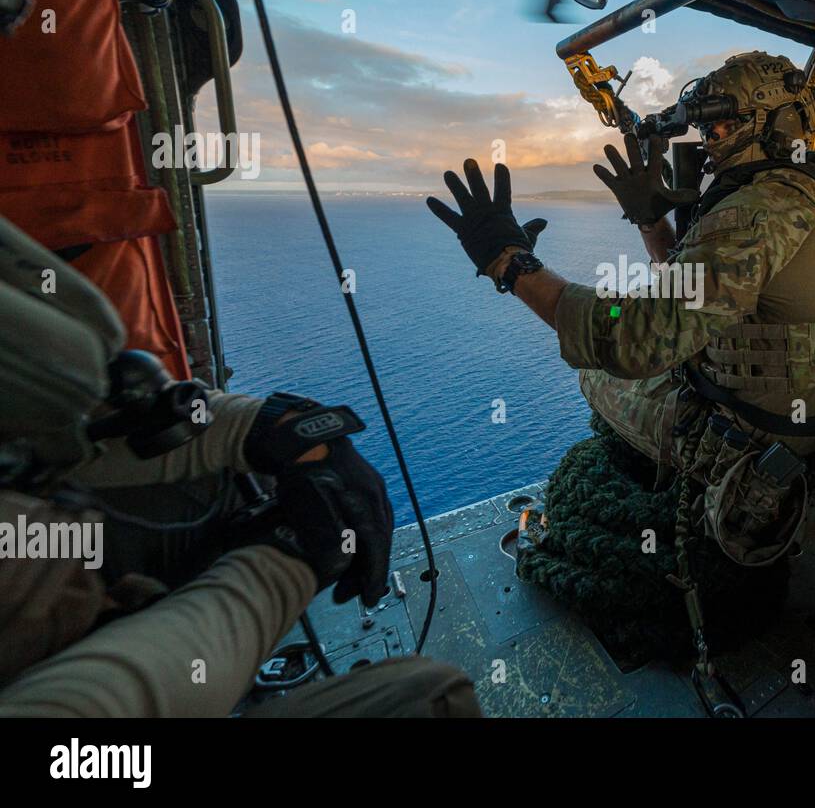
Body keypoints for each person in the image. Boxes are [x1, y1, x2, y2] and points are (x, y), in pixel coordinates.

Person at [428, 51, 815, 674]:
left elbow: (633, 337)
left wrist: (510, 262)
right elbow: (707, 302)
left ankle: (670, 482)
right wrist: (650, 219)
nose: (709, 147)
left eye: (721, 128)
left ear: (773, 125)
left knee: (596, 369)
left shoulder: (758, 211)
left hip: (750, 466)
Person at [0, 210, 478, 717]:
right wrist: (280, 564)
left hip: (48, 563)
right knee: (426, 702)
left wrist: (274, 428)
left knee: (218, 485)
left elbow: (78, 437)